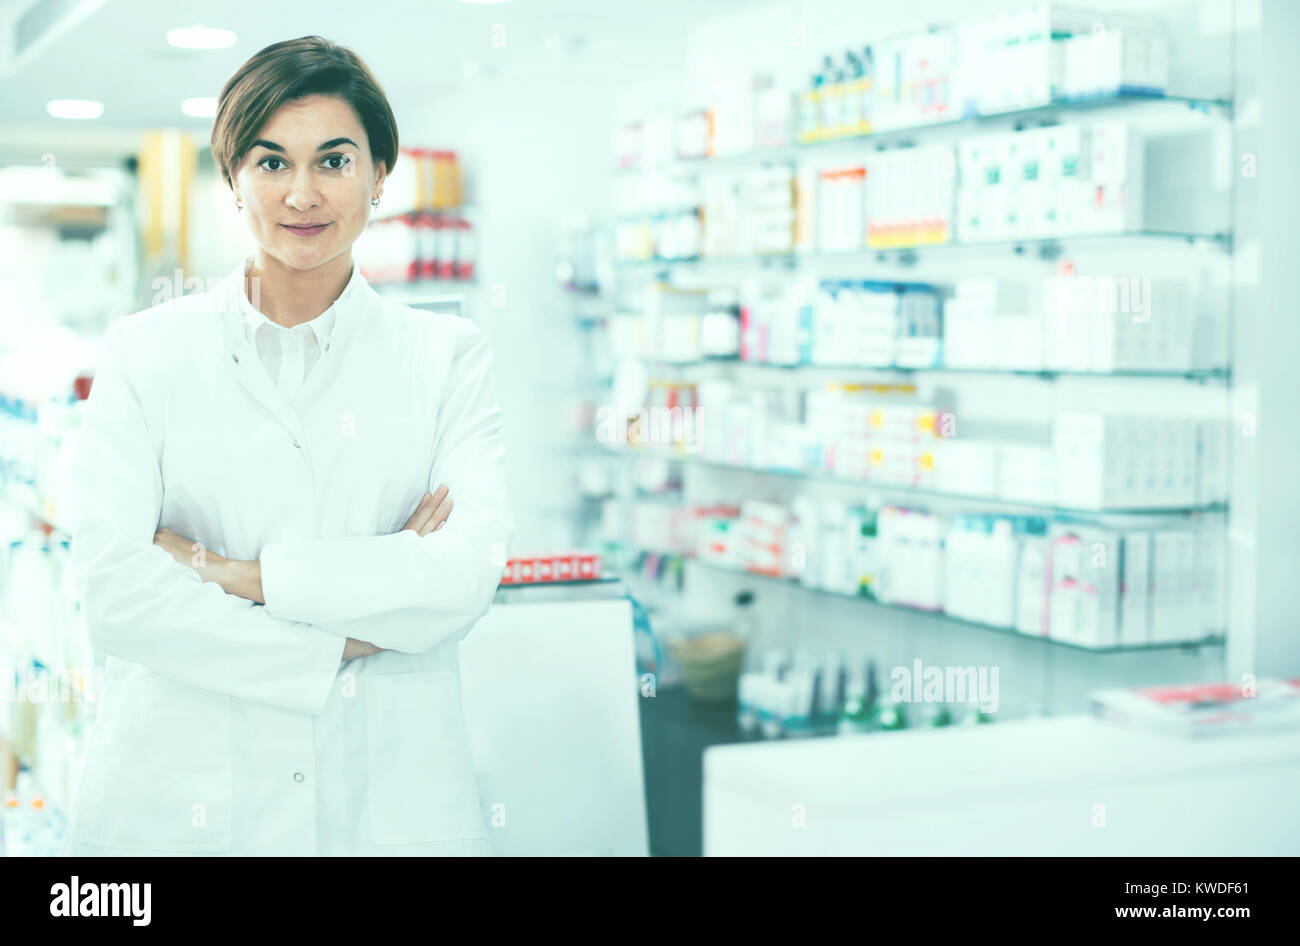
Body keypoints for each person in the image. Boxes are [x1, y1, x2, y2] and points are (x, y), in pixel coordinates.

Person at [64, 35, 515, 856]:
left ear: (381, 177)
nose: (302, 193)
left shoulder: (445, 357)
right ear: (233, 179)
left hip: (388, 804)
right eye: (271, 163)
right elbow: (116, 596)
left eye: (335, 161)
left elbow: (461, 576)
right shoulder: (146, 353)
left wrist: (235, 576)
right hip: (180, 801)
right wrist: (349, 631)